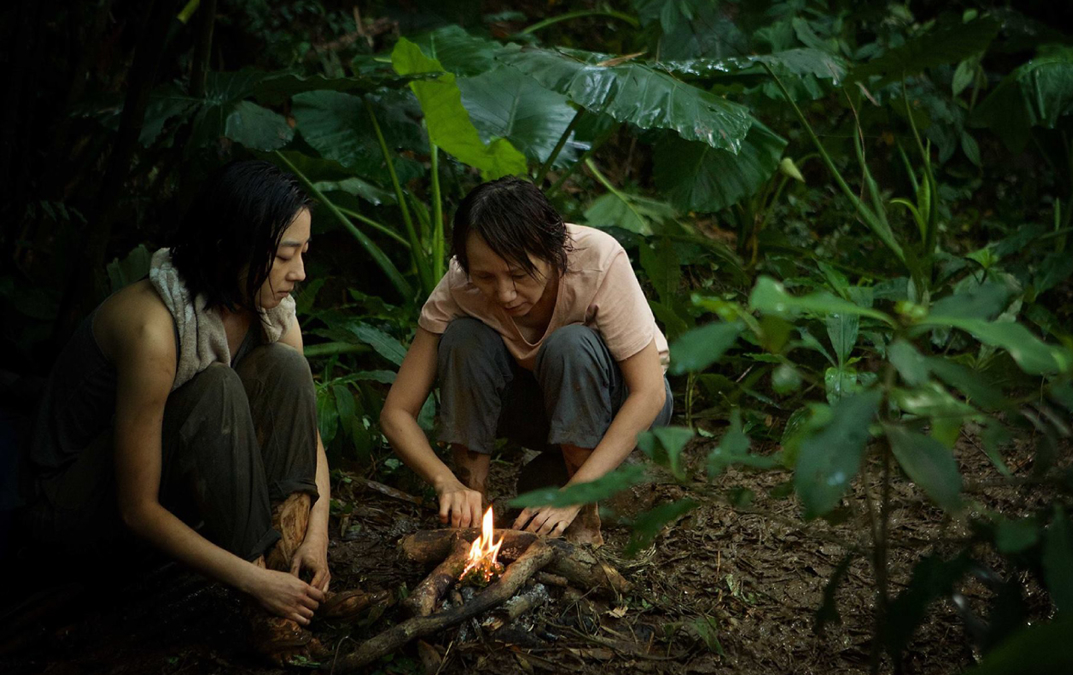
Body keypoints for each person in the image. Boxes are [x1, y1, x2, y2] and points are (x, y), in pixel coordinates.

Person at [16, 160, 360, 663]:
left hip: (172, 496)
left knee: (288, 368)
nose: (300, 273)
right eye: (286, 255)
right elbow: (137, 509)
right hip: (74, 511)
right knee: (215, 387)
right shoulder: (154, 328)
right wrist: (251, 581)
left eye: (303, 253)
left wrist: (317, 535)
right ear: (232, 248)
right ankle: (267, 601)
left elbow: (308, 438)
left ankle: (290, 574)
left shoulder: (269, 307)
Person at [380, 177, 672, 545]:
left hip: (622, 404)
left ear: (553, 251)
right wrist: (446, 483)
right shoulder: (461, 284)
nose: (504, 293)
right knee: (463, 338)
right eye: (485, 277)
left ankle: (584, 515)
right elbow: (396, 412)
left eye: (519, 274)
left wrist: (573, 497)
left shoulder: (598, 261)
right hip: (540, 412)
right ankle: (472, 507)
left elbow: (649, 393)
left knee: (571, 344)